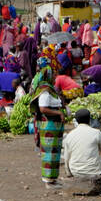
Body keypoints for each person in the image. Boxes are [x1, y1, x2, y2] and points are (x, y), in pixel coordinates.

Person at [31, 59, 65, 189]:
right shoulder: (45, 90)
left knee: (54, 153)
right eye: (53, 74)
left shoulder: (50, 89)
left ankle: (53, 180)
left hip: (54, 127)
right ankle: (49, 181)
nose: (55, 76)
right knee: (50, 154)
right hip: (49, 126)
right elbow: (43, 108)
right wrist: (59, 114)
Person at [62, 108, 101, 183]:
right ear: (89, 120)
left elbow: (66, 158)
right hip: (93, 172)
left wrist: (69, 173)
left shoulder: (70, 135)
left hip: (75, 171)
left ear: (77, 121)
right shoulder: (96, 132)